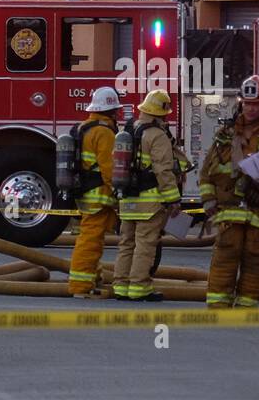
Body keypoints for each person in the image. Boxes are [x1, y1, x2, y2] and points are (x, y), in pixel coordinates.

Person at [199, 75, 259, 309]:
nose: (251, 108)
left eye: (257, 104)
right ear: (241, 103)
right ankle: (218, 305)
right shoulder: (226, 134)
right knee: (224, 257)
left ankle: (247, 306)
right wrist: (208, 200)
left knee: (255, 260)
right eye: (248, 103)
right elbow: (207, 171)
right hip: (229, 210)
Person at [112, 90, 184, 302]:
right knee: (145, 245)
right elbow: (163, 170)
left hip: (127, 200)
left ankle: (121, 286)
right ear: (163, 114)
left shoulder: (128, 131)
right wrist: (173, 199)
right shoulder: (157, 135)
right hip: (149, 203)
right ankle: (139, 287)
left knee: (126, 243)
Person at [68, 86, 124, 297]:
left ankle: (92, 278)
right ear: (111, 110)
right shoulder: (104, 132)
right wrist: (118, 193)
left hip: (85, 194)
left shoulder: (85, 126)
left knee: (93, 239)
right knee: (90, 240)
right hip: (98, 196)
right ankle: (80, 287)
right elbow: (110, 168)